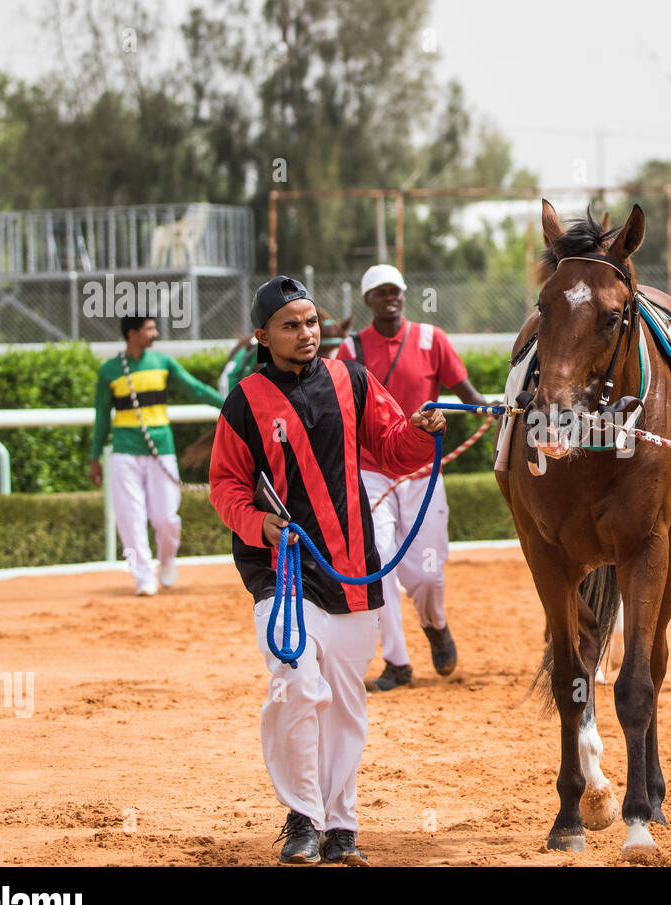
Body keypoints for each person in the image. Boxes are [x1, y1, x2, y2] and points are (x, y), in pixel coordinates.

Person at [209, 274, 445, 865]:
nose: (306, 333)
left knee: (344, 705)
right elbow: (225, 484)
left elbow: (391, 447)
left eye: (312, 322)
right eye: (291, 325)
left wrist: (418, 433)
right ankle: (300, 818)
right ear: (263, 336)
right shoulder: (245, 400)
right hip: (280, 570)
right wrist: (254, 524)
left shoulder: (352, 380)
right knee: (294, 686)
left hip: (353, 570)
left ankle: (340, 827)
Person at [335, 264, 489, 691]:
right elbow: (340, 412)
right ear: (368, 300)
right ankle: (397, 663)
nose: (391, 297)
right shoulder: (350, 351)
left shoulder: (431, 339)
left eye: (396, 290)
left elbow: (468, 395)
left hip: (423, 472)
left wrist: (496, 411)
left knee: (426, 574)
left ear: (404, 294)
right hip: (372, 472)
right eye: (381, 292)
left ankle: (435, 624)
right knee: (378, 561)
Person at [88, 315, 225, 595]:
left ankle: (167, 558)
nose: (155, 333)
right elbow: (102, 416)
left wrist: (232, 404)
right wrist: (94, 458)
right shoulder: (109, 371)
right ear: (133, 333)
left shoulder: (163, 363)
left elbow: (195, 389)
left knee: (166, 517)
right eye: (150, 328)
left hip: (161, 449)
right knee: (130, 517)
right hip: (124, 452)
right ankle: (143, 576)